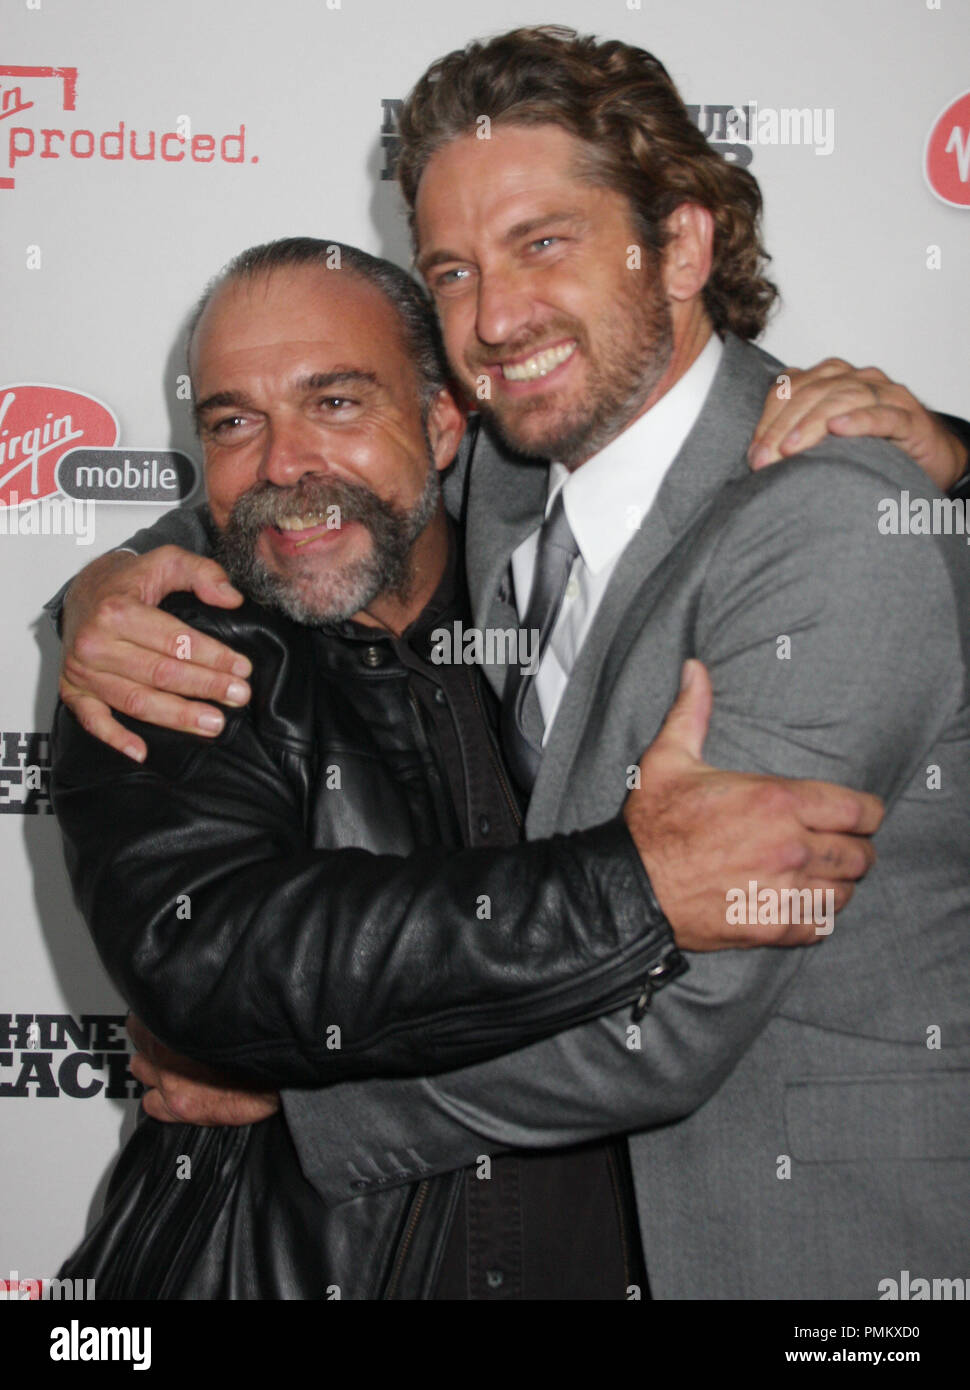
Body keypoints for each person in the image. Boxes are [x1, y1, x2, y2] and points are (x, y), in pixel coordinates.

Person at [53, 28, 970, 1299]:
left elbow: (669, 1026)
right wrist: (105, 583)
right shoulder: (516, 472)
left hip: (811, 1254)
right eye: (451, 270)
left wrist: (294, 1082)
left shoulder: (822, 522)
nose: (492, 319)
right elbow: (315, 472)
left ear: (686, 248)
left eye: (544, 243)